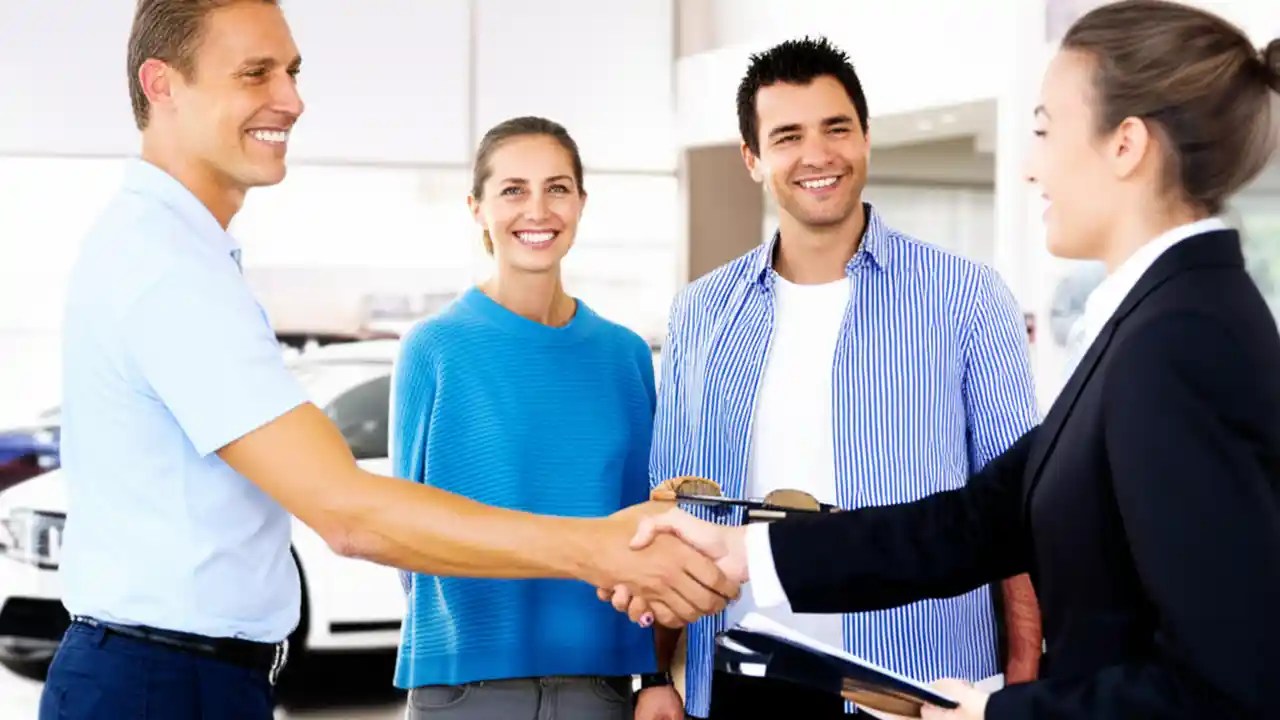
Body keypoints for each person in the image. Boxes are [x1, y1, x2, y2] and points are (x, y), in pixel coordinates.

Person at [41, 2, 735, 718]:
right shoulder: (165, 268)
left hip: (190, 677)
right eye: (256, 73)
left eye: (292, 71)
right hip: (158, 684)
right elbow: (350, 512)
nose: (292, 98)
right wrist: (599, 547)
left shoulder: (186, 257)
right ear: (162, 85)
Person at [611, 2, 1280, 718]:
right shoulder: (1150, 321)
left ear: (1126, 146)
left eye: (1046, 130)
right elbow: (974, 521)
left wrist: (1000, 712)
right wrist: (746, 552)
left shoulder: (1181, 339)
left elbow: (1231, 684)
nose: (1029, 167)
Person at [629, 36, 1043, 720]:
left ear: (867, 139)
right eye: (788, 136)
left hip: (919, 682)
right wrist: (655, 678)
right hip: (742, 669)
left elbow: (1020, 507)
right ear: (753, 160)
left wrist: (1026, 674)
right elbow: (673, 512)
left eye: (837, 128)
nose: (818, 154)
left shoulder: (968, 297)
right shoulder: (701, 311)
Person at [390, 116, 667, 719]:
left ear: (581, 203)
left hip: (600, 686)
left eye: (557, 188)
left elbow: (646, 532)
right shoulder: (434, 348)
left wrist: (656, 677)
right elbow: (404, 531)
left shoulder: (624, 355)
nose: (536, 210)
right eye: (513, 190)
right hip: (465, 687)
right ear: (476, 208)